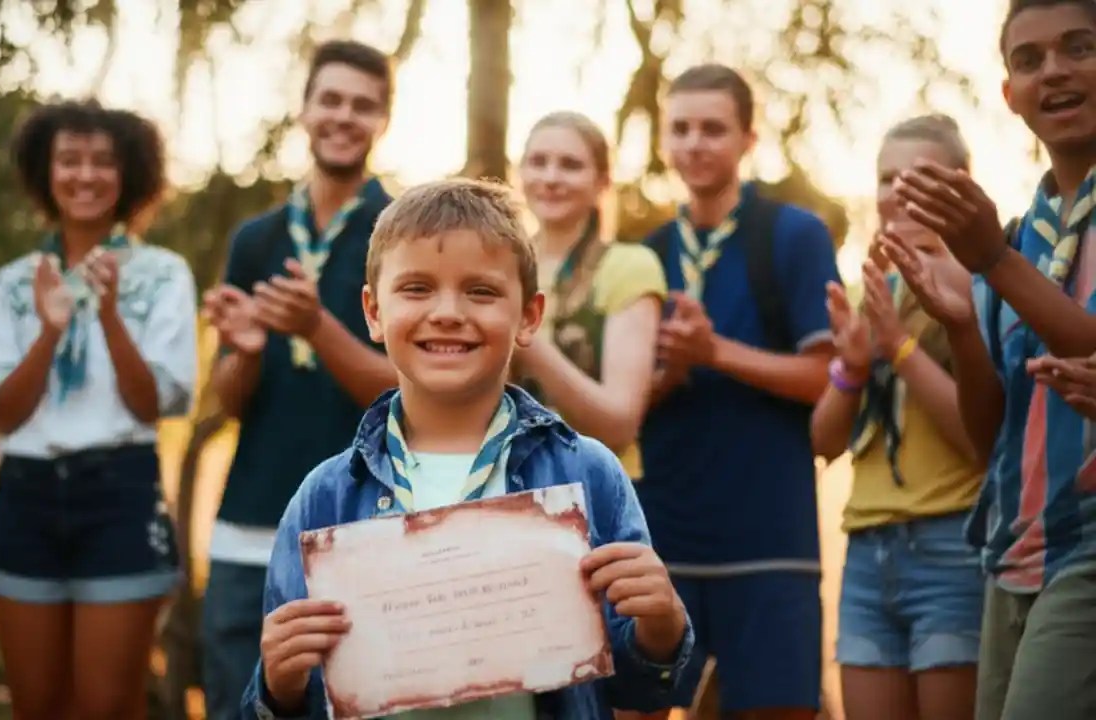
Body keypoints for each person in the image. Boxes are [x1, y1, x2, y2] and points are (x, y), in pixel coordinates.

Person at [238, 177, 694, 719]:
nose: (448, 312)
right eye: (416, 288)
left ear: (529, 315)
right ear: (374, 312)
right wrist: (278, 684)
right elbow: (283, 702)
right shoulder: (326, 498)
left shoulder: (587, 473)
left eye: (480, 290)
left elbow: (640, 692)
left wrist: (661, 627)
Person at [881, 2, 1096, 718]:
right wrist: (963, 330)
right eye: (1028, 60)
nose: (1055, 71)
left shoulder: (1000, 251)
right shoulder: (1022, 234)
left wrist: (993, 263)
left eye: (1079, 47)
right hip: (1015, 549)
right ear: (1008, 93)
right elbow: (989, 439)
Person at [0, 100, 197, 720]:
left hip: (120, 492)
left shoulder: (162, 273)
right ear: (46, 172)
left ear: (131, 176)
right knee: (37, 706)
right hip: (26, 494)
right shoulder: (15, 283)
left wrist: (112, 315)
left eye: (104, 162)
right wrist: (47, 332)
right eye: (69, 160)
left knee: (107, 705)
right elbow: (3, 415)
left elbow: (155, 404)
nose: (85, 176)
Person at [635, 64, 842, 720]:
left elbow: (827, 378)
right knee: (630, 708)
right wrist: (667, 376)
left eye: (714, 129)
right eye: (682, 128)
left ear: (749, 139)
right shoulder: (644, 254)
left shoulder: (794, 235)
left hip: (769, 540)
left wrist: (712, 351)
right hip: (660, 536)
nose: (696, 143)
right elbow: (621, 403)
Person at [199, 39, 400, 719]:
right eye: (331, 100)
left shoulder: (398, 233)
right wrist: (249, 350)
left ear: (385, 121)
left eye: (364, 106)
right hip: (249, 520)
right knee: (242, 707)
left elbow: (411, 393)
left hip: (367, 524)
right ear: (305, 109)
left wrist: (317, 327)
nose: (345, 117)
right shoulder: (255, 239)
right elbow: (229, 401)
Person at [811, 115, 985, 720]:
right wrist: (853, 368)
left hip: (952, 545)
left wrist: (901, 350)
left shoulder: (983, 286)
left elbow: (980, 439)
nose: (894, 193)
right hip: (866, 549)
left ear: (958, 185)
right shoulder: (874, 288)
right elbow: (824, 441)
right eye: (886, 178)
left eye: (915, 178)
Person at [513, 111, 666, 478]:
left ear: (602, 182)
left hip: (594, 484)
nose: (551, 177)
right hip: (506, 482)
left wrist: (524, 340)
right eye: (538, 162)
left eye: (570, 165)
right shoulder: (497, 263)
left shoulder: (629, 266)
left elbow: (619, 424)